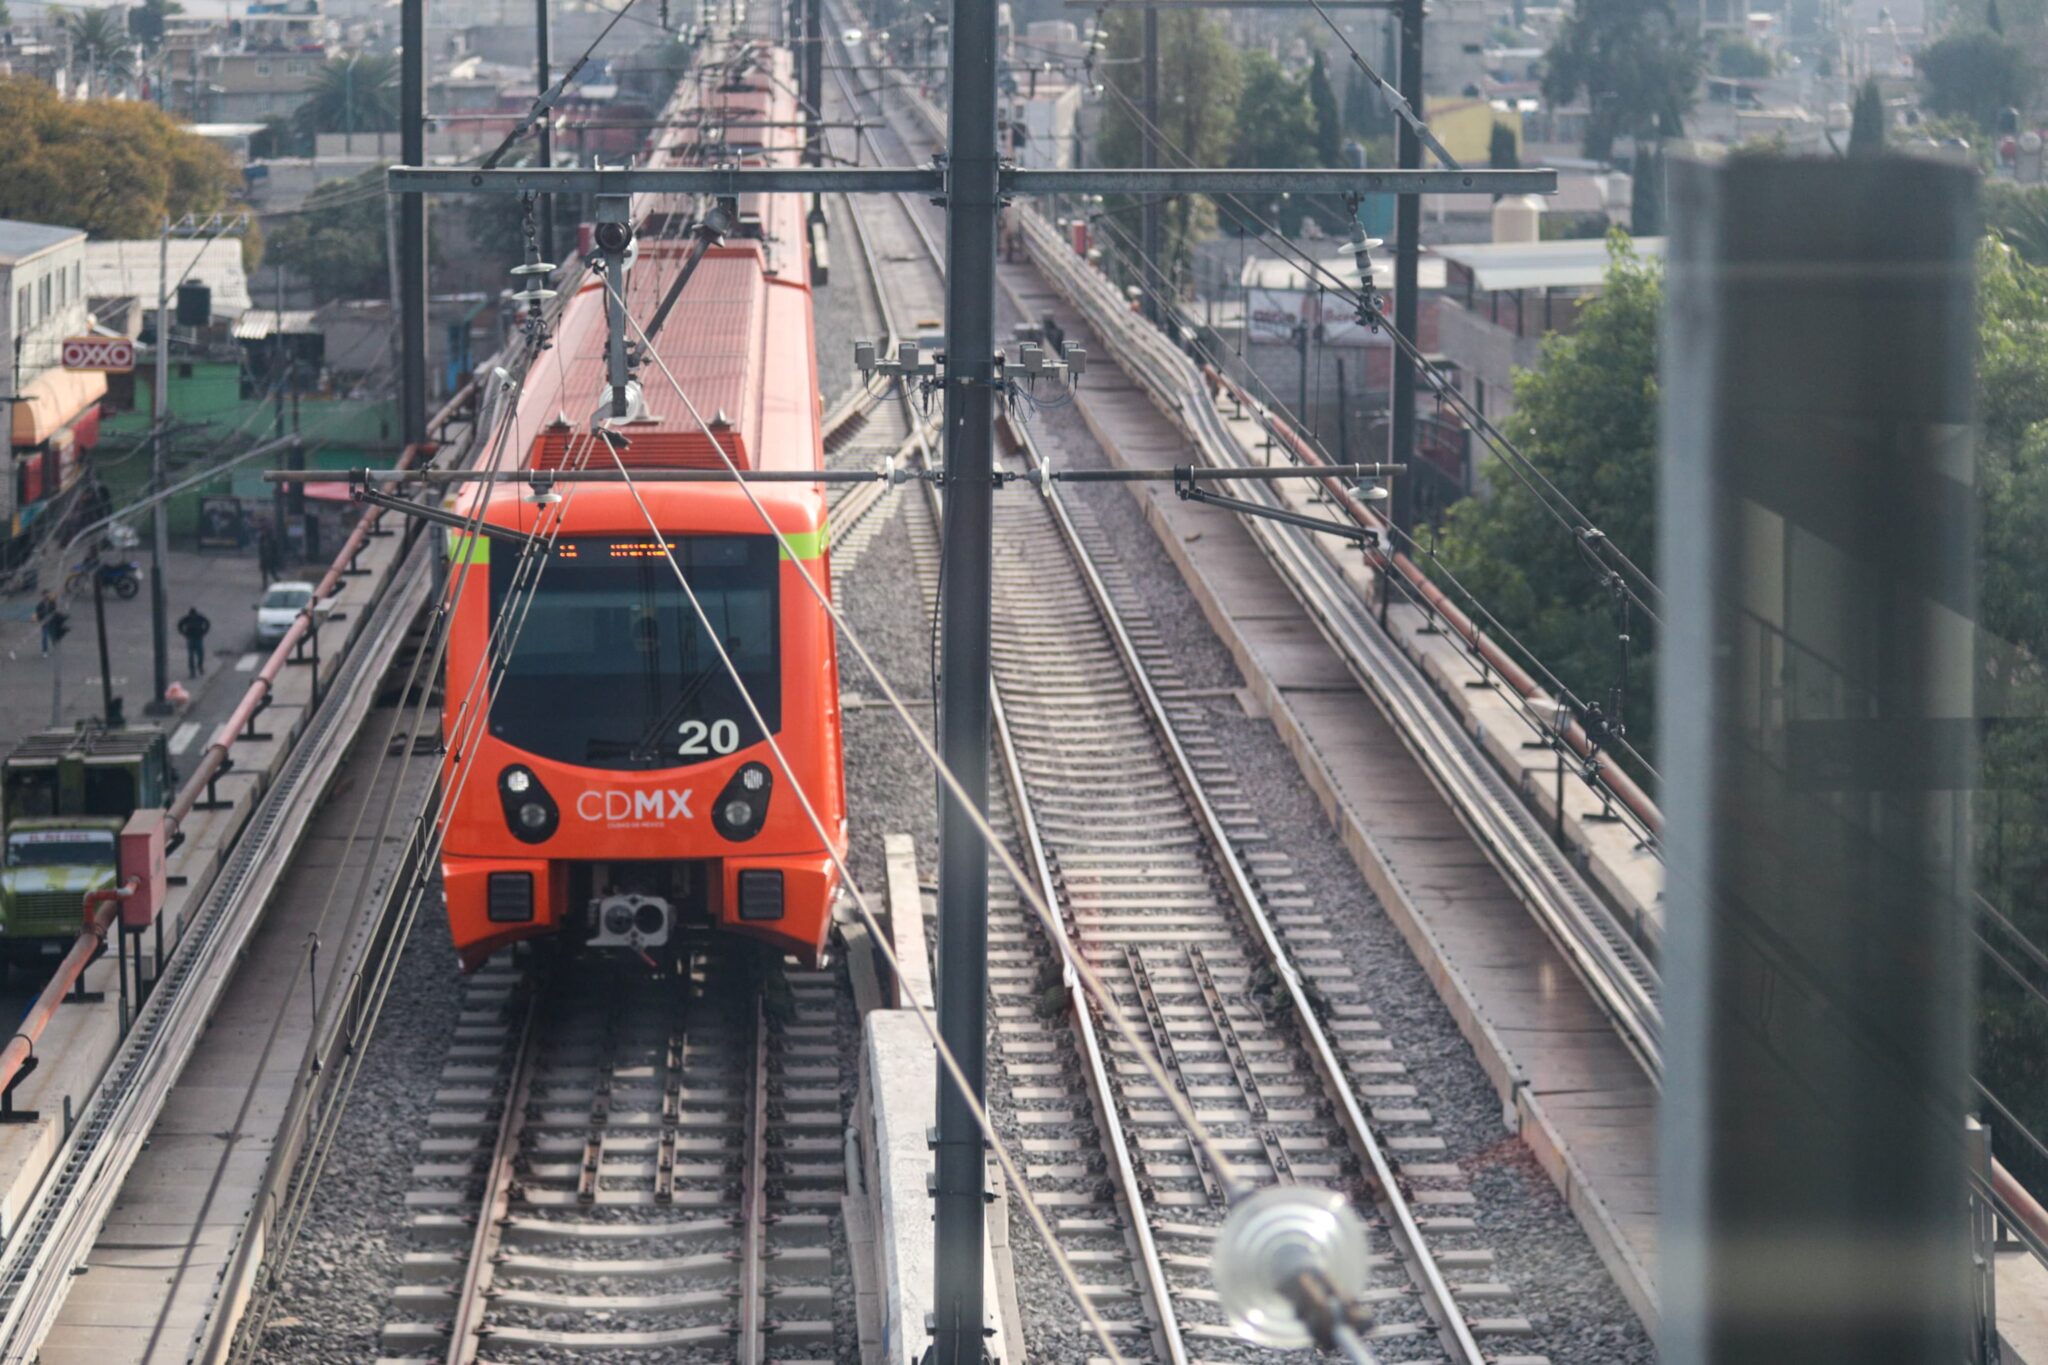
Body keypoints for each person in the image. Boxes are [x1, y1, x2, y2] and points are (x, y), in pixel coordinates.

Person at [177, 606, 211, 677]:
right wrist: (204, 632)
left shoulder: (189, 618)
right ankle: (197, 669)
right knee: (197, 655)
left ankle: (195, 670)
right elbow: (207, 623)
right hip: (195, 639)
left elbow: (180, 625)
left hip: (194, 639)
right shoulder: (197, 618)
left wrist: (184, 633)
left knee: (194, 656)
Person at [33, 591, 58, 657]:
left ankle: (54, 642)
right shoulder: (40, 605)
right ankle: (45, 651)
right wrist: (42, 614)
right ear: (43, 596)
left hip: (51, 622)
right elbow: (38, 614)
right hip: (44, 623)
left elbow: (54, 610)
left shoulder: (52, 602)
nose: (47, 596)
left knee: (52, 634)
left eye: (48, 595)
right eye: (45, 595)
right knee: (44, 637)